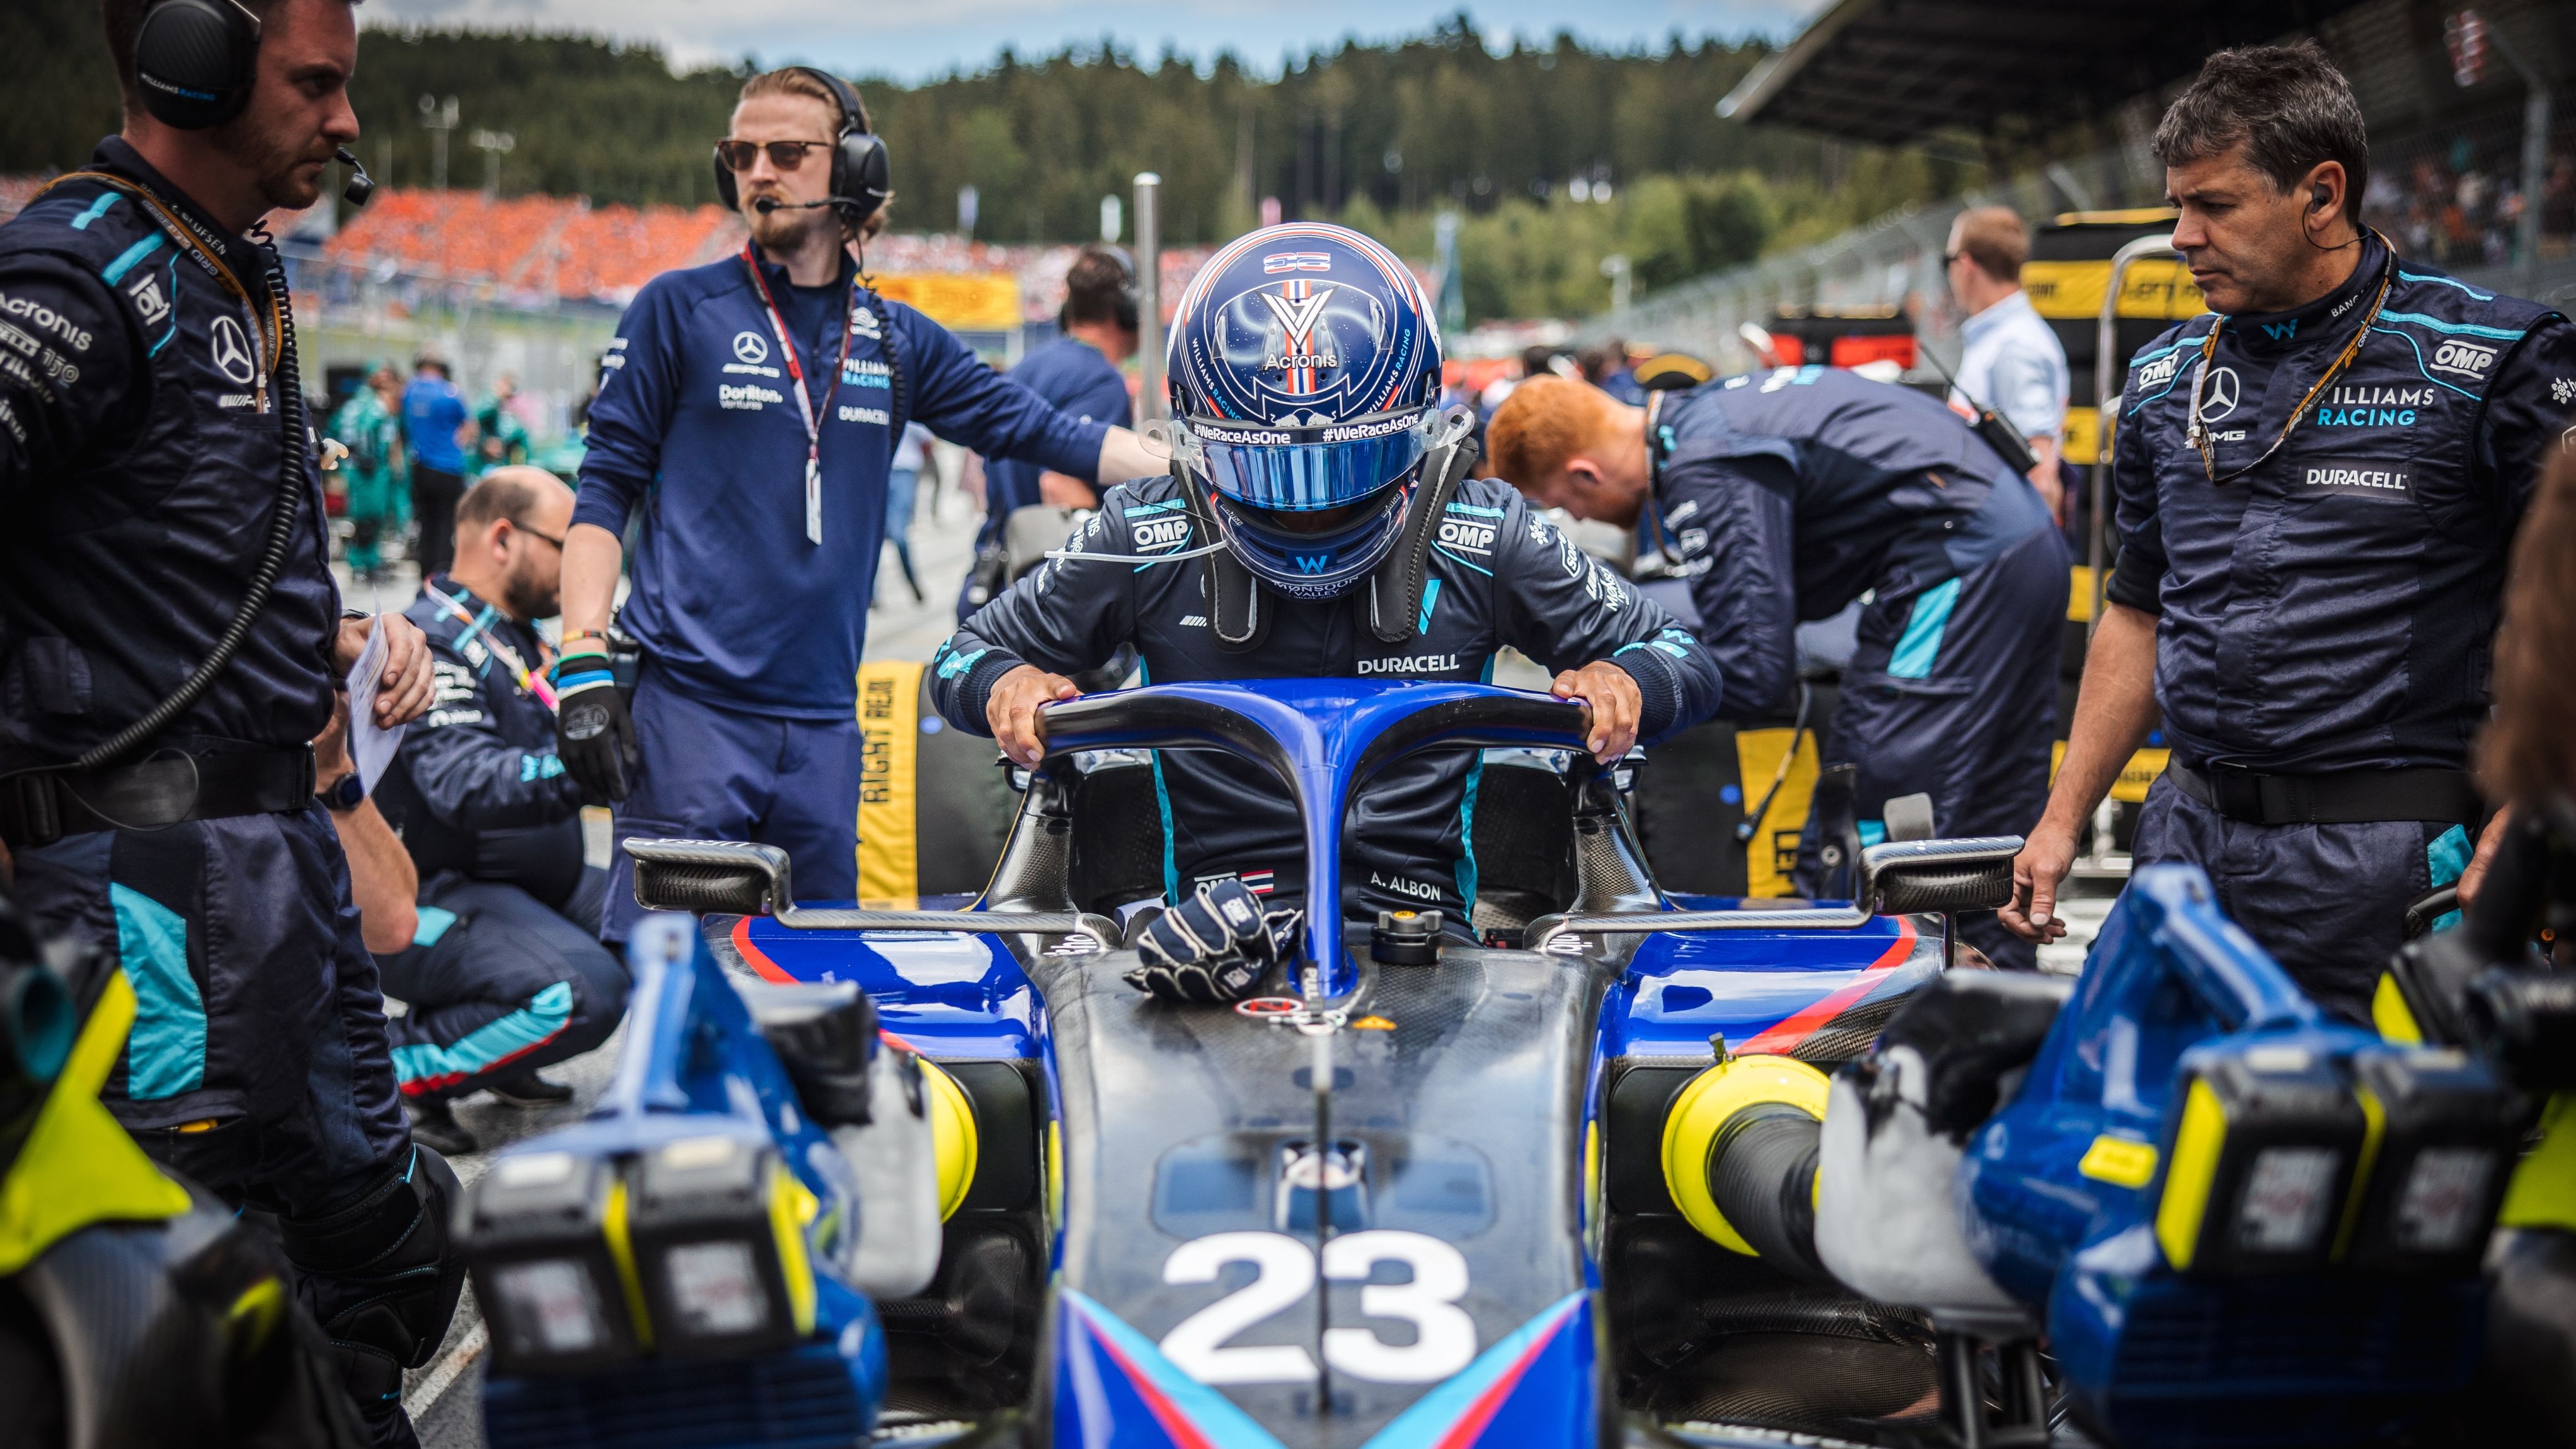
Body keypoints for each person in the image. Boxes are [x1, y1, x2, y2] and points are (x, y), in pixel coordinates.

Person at [0, 0, 464, 1440]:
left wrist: (339, 642)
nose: (345, 122)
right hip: (142, 894)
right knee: (191, 1278)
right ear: (187, 72)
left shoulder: (228, 273)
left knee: (387, 1246)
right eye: (317, 86)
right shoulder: (75, 274)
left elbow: (157, 578)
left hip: (282, 873)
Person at [928, 223, 1724, 988]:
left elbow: (1683, 657)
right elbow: (961, 657)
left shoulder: (1483, 532)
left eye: (1346, 470)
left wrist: (1627, 684)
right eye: (1276, 478)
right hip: (1199, 944)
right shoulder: (1144, 530)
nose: (1311, 511)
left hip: (1433, 941)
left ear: (1419, 429)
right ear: (1194, 441)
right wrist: (1006, 685)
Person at [2000, 42, 2576, 1022]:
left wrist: (2528, 828)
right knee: (2123, 1132)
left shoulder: (2492, 361)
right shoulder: (2161, 377)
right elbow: (2138, 614)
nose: (2182, 235)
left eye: (2214, 206)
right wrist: (2061, 820)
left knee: (2367, 1162)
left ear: (2321, 194)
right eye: (2176, 205)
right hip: (2184, 842)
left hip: (2387, 863)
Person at [560, 67, 1165, 944]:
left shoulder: (893, 336)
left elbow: (1036, 428)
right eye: (741, 154)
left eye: (786, 152)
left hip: (823, 730)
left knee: (822, 989)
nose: (758, 172)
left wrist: (1215, 467)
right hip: (689, 714)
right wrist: (580, 652)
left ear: (855, 168)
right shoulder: (675, 310)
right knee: (678, 995)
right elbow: (604, 486)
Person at [1486, 366, 2067, 969]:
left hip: (1961, 567)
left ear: (1585, 473)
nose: (1586, 516)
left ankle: (1854, 1020)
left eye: (1568, 504)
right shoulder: (1708, 413)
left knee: (1869, 840)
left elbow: (1756, 666)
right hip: (2020, 545)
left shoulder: (1703, 462)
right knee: (1990, 842)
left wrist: (1635, 691)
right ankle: (2007, 1012)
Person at [365, 467, 627, 1156]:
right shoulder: (427, 642)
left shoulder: (520, 636)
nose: (580, 569)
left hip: (524, 891)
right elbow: (464, 783)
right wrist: (588, 764)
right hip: (429, 902)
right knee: (581, 995)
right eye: (567, 546)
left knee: (663, 927)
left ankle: (499, 1053)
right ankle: (388, 1075)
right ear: (504, 538)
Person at [959, 244, 1140, 620]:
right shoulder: (1102, 382)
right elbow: (1060, 486)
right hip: (1048, 601)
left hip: (999, 586)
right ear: (1129, 313)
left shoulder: (1025, 367)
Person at [1945, 205, 2071, 520]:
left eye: (1946, 262)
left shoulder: (2014, 347)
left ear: (1965, 265)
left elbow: (2040, 480)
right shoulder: (2000, 338)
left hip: (2000, 539)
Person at [331, 362, 409, 582]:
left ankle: (369, 563)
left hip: (368, 470)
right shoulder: (370, 404)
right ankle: (362, 565)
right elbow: (361, 433)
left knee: (373, 519)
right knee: (368, 520)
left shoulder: (357, 403)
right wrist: (366, 459)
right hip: (368, 471)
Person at [401, 352, 469, 580]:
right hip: (448, 467)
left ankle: (426, 571)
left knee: (425, 521)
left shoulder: (409, 391)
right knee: (446, 522)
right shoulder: (449, 392)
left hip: (419, 466)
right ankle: (442, 572)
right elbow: (469, 427)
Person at [887, 419, 931, 603]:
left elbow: (926, 442)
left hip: (905, 472)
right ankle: (870, 596)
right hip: (877, 473)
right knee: (870, 535)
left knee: (899, 534)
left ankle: (912, 581)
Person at [471, 368, 531, 474]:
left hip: (503, 465)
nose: (509, 392)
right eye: (507, 386)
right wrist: (485, 444)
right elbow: (474, 420)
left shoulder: (512, 418)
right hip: (482, 464)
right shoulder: (488, 401)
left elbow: (520, 447)